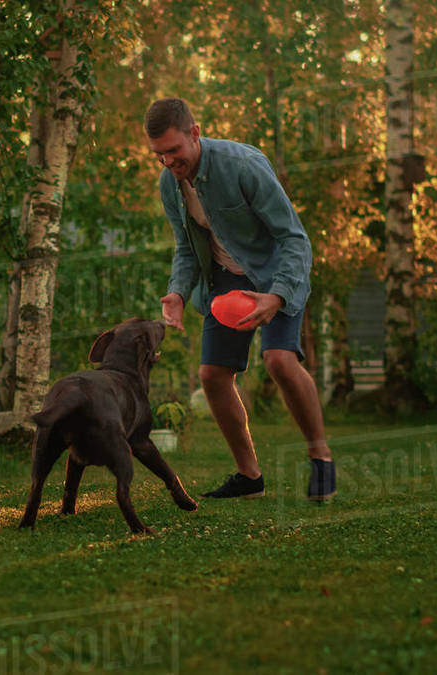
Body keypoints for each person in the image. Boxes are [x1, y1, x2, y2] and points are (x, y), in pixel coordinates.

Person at [146, 97, 335, 501]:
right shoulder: (170, 182)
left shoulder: (243, 165)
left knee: (280, 361)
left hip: (274, 275)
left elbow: (294, 239)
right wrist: (178, 292)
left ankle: (321, 457)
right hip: (224, 283)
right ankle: (249, 477)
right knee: (212, 376)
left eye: (174, 151)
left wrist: (277, 296)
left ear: (195, 134)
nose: (168, 162)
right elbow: (185, 246)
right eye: (159, 155)